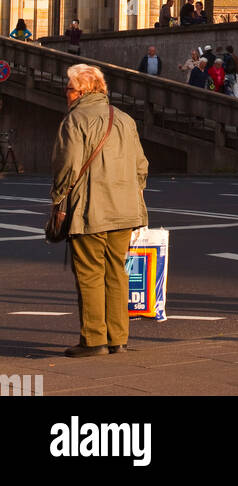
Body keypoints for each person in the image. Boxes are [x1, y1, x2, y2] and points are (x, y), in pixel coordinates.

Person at [50, 63, 148, 356]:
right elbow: (141, 166)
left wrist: (57, 199)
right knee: (117, 272)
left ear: (82, 91)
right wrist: (131, 193)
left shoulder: (75, 119)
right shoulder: (125, 119)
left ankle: (94, 340)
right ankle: (118, 338)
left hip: (91, 210)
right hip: (125, 210)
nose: (65, 94)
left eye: (68, 88)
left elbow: (66, 166)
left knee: (90, 273)